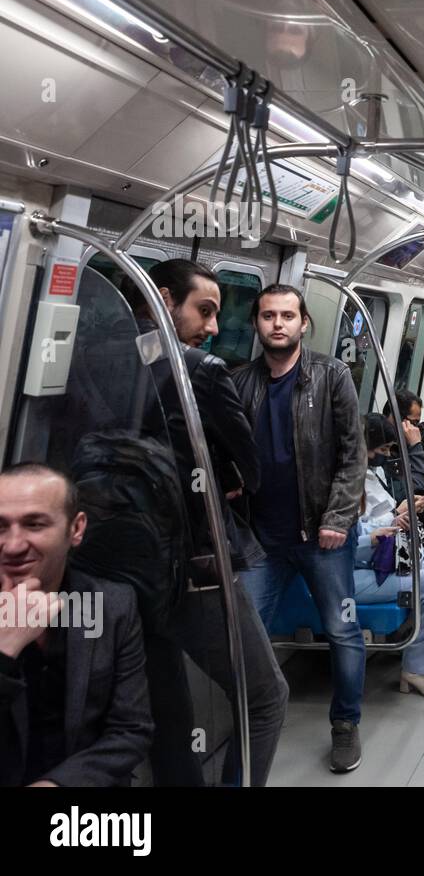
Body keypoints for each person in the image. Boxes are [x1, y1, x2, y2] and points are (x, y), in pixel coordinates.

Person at [131, 259, 288, 787]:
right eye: (205, 310)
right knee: (265, 697)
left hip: (123, 574)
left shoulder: (100, 358)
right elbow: (251, 466)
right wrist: (226, 477)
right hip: (193, 567)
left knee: (166, 715)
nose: (215, 328)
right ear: (163, 296)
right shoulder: (201, 370)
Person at [231, 284, 368, 774]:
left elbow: (353, 455)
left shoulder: (331, 376)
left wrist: (336, 519)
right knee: (245, 635)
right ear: (257, 324)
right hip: (262, 540)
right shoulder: (241, 381)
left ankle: (346, 724)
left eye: (288, 315)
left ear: (304, 323)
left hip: (323, 536)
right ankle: (251, 722)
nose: (278, 324)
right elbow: (230, 451)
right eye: (268, 315)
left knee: (343, 630)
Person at [0, 464, 152, 786]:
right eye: (0, 527)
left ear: (76, 529)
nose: (13, 546)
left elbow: (130, 730)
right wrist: (4, 650)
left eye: (34, 524)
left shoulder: (110, 606)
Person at [357, 415, 424, 698]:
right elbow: (355, 539)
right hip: (363, 566)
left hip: (382, 551)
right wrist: (389, 523)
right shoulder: (347, 484)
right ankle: (415, 671)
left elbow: (372, 521)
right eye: (383, 449)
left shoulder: (368, 475)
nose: (387, 456)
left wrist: (400, 512)